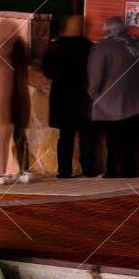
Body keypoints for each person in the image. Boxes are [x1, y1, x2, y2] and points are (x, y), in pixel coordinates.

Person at [86, 16, 139, 178]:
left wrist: (94, 96)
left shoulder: (103, 47)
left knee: (114, 140)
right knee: (132, 140)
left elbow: (95, 78)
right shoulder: (136, 44)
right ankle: (129, 170)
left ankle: (113, 170)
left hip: (113, 104)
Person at [41, 15, 97, 178]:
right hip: (84, 97)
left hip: (63, 98)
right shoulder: (90, 47)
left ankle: (64, 171)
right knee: (87, 135)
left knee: (66, 136)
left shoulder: (57, 47)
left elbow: (47, 70)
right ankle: (88, 169)